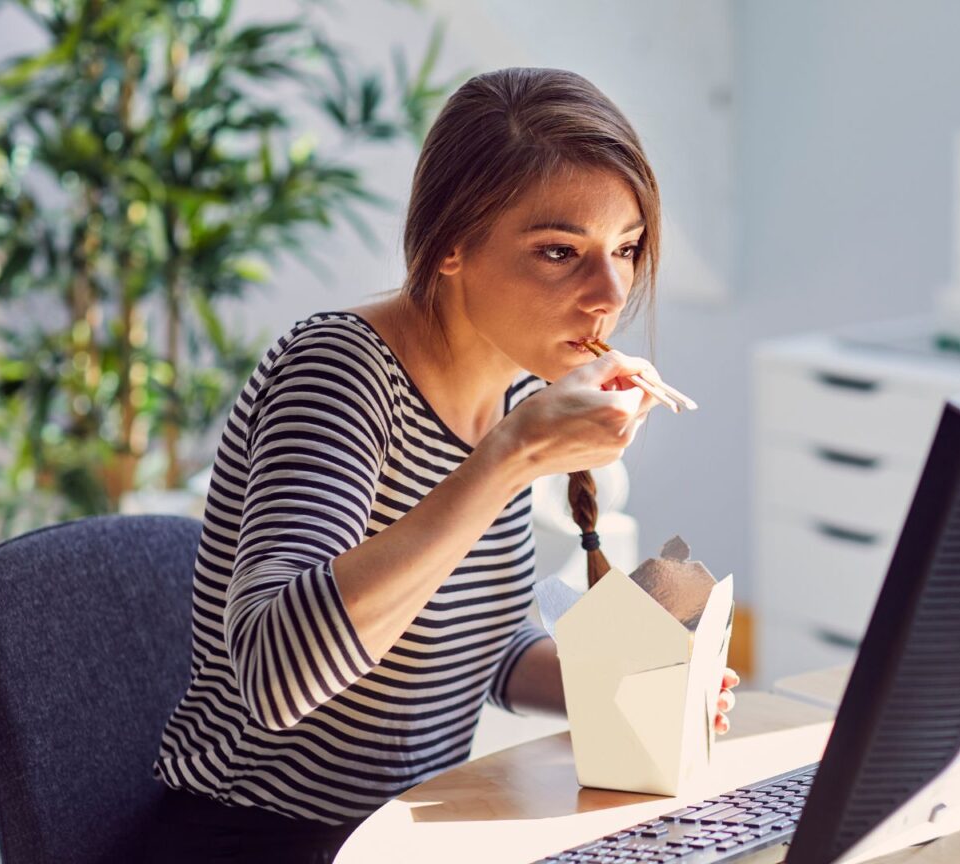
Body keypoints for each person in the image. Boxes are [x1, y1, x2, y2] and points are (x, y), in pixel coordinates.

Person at [145, 67, 739, 863]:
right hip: (262, 839)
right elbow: (276, 678)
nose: (609, 293)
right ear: (450, 245)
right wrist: (509, 457)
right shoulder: (339, 372)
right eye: (560, 251)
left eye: (626, 249)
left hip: (413, 835)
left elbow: (474, 647)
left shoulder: (512, 386)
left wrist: (636, 690)